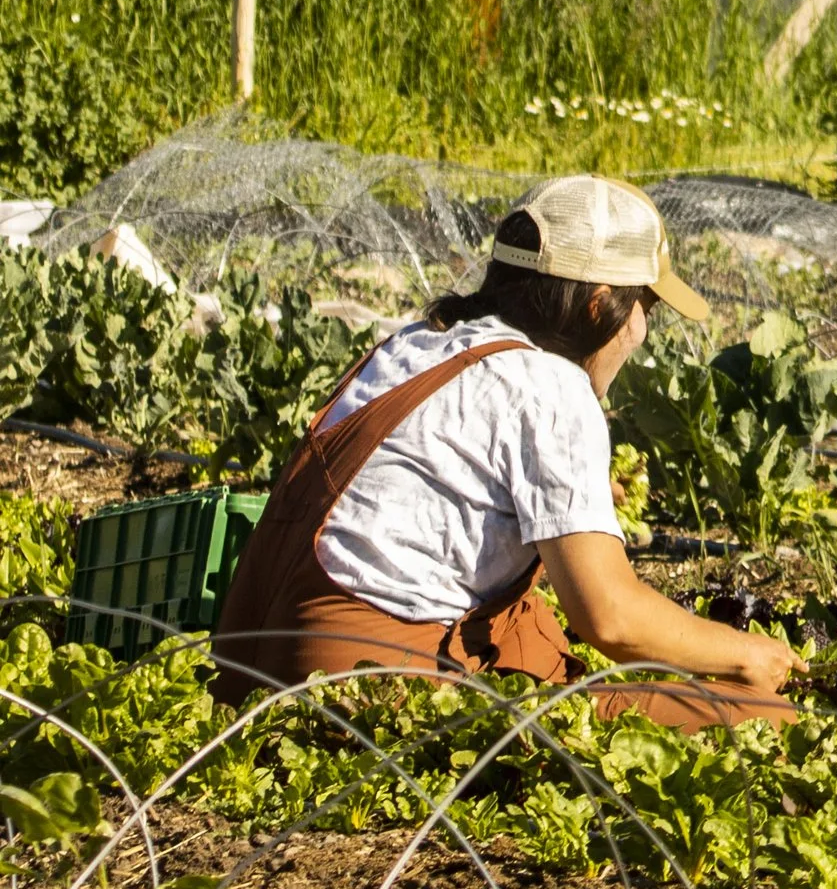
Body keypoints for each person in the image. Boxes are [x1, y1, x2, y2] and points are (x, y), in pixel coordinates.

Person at [213, 174, 797, 726]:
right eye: (646, 308)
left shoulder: (420, 343)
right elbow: (611, 619)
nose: (643, 332)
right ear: (600, 306)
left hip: (261, 664)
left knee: (532, 628)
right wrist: (745, 653)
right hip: (372, 688)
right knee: (762, 717)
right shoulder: (551, 386)